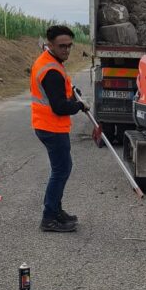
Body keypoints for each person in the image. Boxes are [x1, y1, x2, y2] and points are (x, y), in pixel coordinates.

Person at [30, 25, 86, 232]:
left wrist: (71, 94)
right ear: (50, 44)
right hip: (51, 127)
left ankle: (56, 211)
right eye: (62, 46)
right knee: (61, 170)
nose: (66, 50)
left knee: (62, 169)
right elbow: (60, 107)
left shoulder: (51, 61)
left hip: (48, 125)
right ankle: (49, 217)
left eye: (69, 46)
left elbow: (59, 94)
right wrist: (79, 105)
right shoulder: (51, 70)